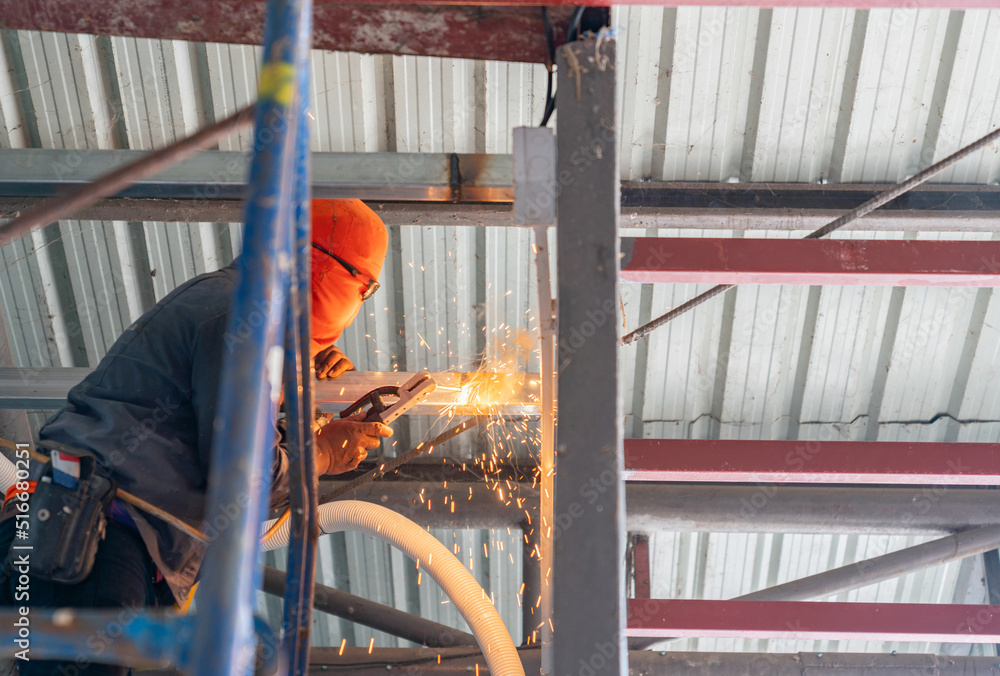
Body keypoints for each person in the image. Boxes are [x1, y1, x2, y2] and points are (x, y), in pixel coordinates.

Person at [0, 199, 391, 675]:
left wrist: (291, 385)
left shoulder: (241, 312)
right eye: (365, 287)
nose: (362, 299)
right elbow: (243, 475)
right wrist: (324, 453)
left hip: (88, 536)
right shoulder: (241, 314)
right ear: (323, 266)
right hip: (94, 537)